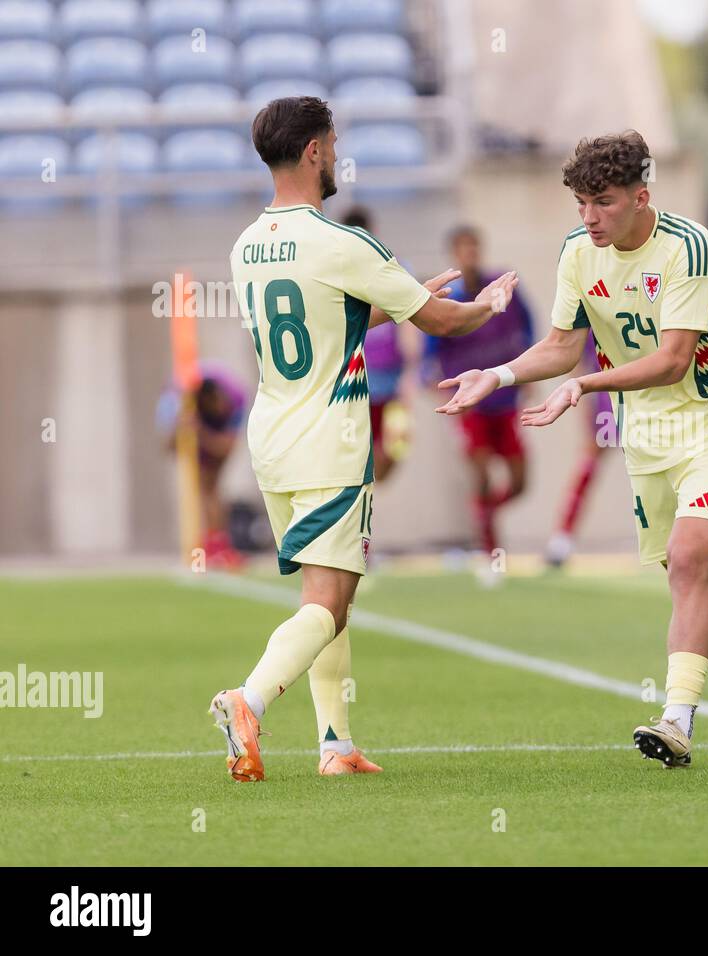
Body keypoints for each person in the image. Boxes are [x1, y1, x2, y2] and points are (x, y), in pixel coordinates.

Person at [437, 130, 708, 767]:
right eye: (581, 203)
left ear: (640, 196)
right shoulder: (578, 251)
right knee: (695, 579)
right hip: (645, 436)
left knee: (689, 559)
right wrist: (500, 375)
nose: (590, 217)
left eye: (603, 202)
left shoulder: (688, 246)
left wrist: (584, 385)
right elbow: (562, 346)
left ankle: (677, 720)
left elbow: (673, 360)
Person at [211, 96, 518, 781]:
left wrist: (401, 298)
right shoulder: (344, 242)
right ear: (314, 150)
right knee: (330, 599)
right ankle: (247, 701)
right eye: (334, 143)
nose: (338, 155)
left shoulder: (246, 244)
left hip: (273, 437)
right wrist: (484, 306)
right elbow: (442, 323)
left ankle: (336, 745)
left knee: (326, 596)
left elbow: (324, 319)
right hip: (329, 440)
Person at [425, 224, 534, 555]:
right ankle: (491, 552)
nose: (469, 254)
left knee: (519, 483)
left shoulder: (500, 288)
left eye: (473, 247)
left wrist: (529, 371)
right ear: (454, 255)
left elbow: (528, 328)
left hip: (505, 396)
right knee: (482, 475)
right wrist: (437, 386)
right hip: (471, 404)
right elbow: (430, 352)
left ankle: (484, 514)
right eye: (463, 249)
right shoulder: (450, 301)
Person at [340, 207, 422, 485]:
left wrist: (411, 373)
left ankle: (367, 490)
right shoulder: (336, 274)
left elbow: (409, 324)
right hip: (353, 388)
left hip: (391, 385)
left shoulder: (394, 269)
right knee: (354, 464)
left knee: (394, 451)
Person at [156, 360, 248, 568]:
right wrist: (185, 429)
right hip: (190, 424)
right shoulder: (174, 402)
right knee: (202, 489)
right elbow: (168, 446)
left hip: (208, 429)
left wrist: (202, 433)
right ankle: (209, 543)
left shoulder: (236, 397)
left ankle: (218, 544)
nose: (221, 406)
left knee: (212, 487)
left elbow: (226, 447)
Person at [544, 335, 616, 568]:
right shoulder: (590, 318)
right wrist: (584, 405)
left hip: (648, 390)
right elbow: (574, 356)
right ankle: (562, 536)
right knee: (590, 461)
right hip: (609, 392)